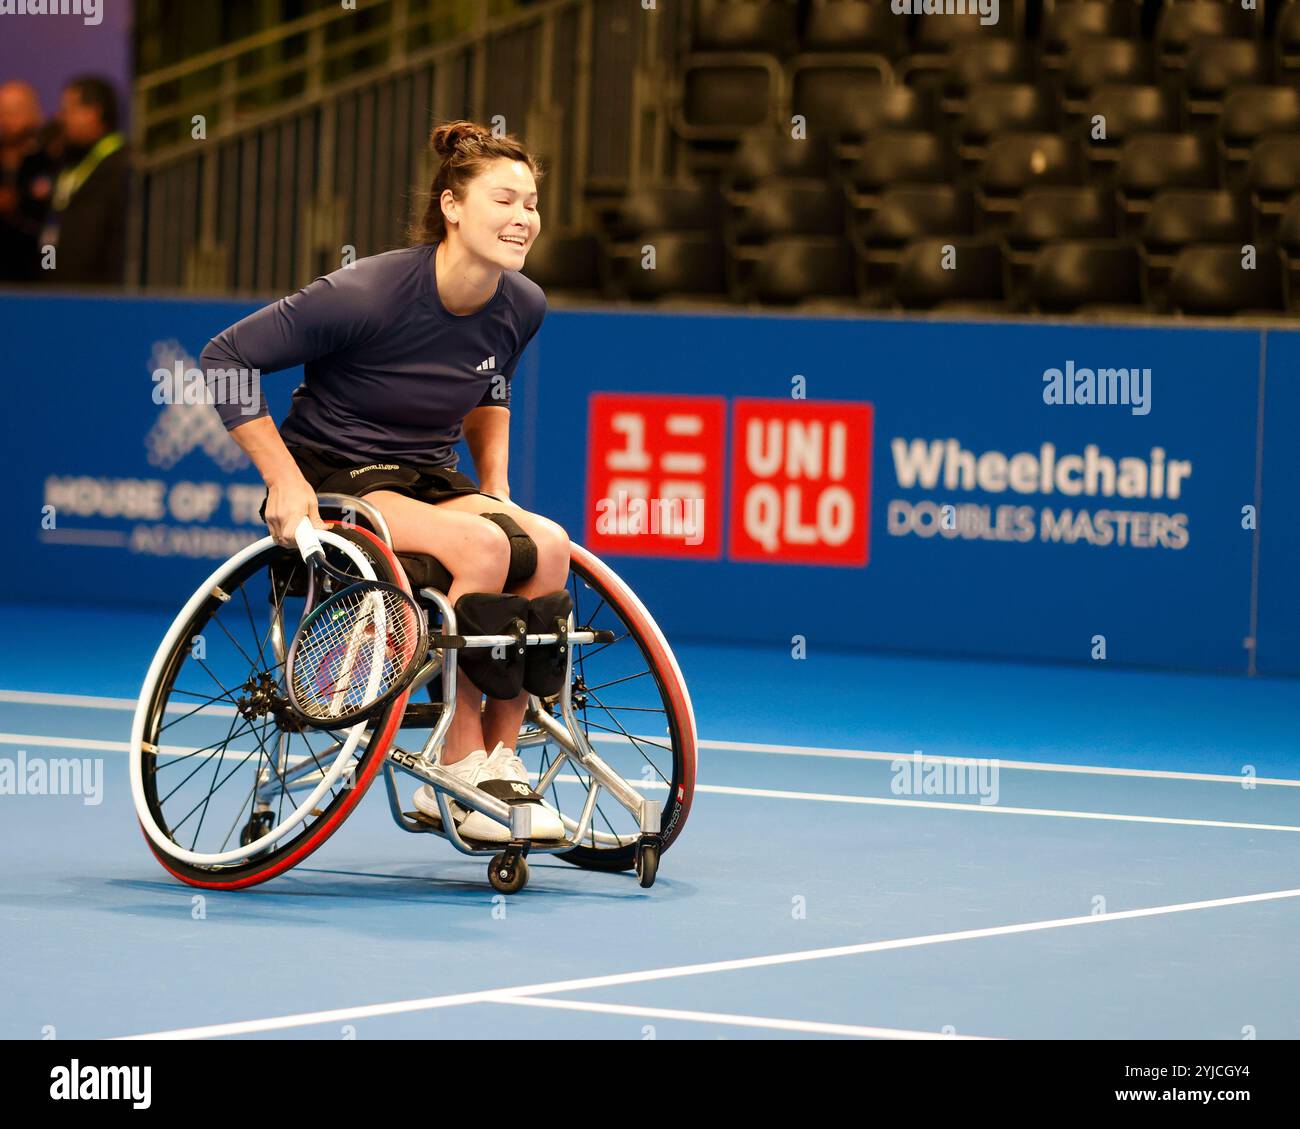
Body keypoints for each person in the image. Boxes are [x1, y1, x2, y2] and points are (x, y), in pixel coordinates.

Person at [201, 119, 566, 842]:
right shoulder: (366, 293)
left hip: (428, 472)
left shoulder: (522, 303)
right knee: (485, 551)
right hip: (338, 470)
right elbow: (225, 357)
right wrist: (283, 480)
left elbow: (490, 388)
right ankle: (456, 760)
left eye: (531, 203)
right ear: (452, 206)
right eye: (504, 200)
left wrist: (494, 485)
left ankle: (501, 757)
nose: (523, 218)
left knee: (549, 545)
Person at [42, 76, 128, 286]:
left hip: (98, 301)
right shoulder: (70, 160)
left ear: (93, 113)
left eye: (68, 110)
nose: (61, 118)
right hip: (57, 294)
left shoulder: (123, 167)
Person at [0, 81, 56, 283]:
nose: (7, 119)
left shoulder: (52, 159)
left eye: (15, 111)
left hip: (38, 270)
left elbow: (53, 226)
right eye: (2, 111)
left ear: (35, 113)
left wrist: (49, 269)